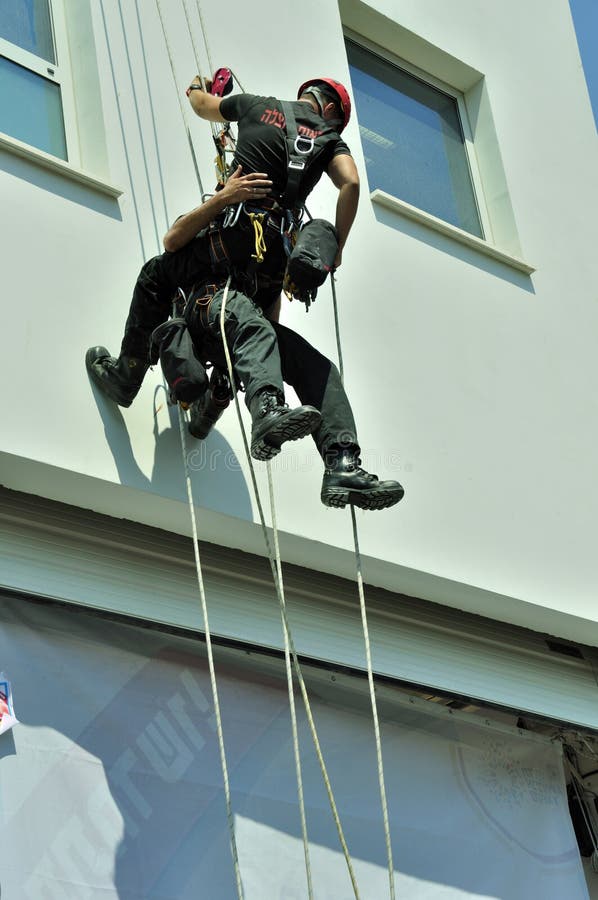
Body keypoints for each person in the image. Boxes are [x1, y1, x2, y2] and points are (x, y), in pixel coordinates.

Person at [86, 77, 404, 508]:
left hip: (240, 329)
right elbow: (171, 244)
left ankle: (342, 466)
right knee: (251, 324)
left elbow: (203, 106)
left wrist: (197, 88)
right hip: (209, 309)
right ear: (333, 114)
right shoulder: (319, 147)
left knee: (317, 367)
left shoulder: (257, 113)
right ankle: (251, 406)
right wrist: (226, 198)